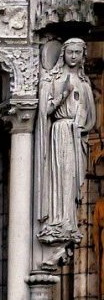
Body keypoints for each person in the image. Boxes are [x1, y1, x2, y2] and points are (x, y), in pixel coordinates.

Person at [36, 37, 95, 245]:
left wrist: (81, 125)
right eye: (70, 52)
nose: (73, 57)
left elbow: (91, 117)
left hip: (75, 134)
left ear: (82, 56)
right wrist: (62, 94)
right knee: (59, 176)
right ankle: (56, 220)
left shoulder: (84, 83)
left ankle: (68, 221)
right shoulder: (54, 79)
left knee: (70, 179)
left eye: (77, 53)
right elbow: (46, 111)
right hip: (59, 132)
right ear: (63, 54)